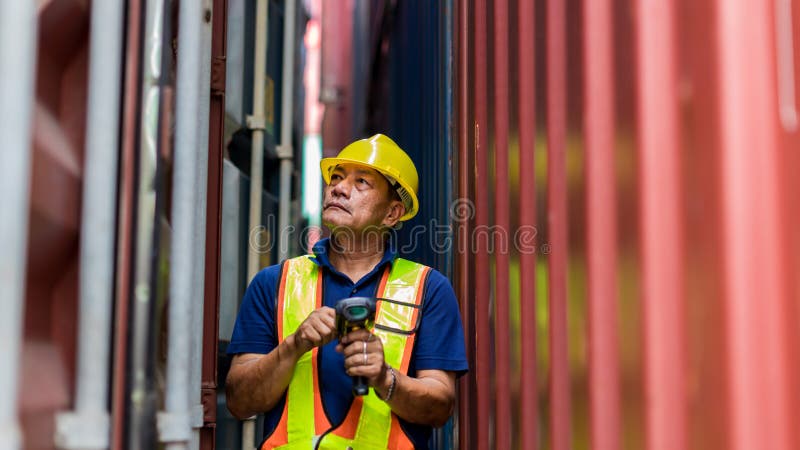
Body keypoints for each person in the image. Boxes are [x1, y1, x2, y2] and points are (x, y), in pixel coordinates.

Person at [225, 134, 468, 449]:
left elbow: (440, 407)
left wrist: (384, 378)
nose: (337, 188)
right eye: (336, 178)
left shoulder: (428, 289)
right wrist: (294, 345)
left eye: (362, 182)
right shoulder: (275, 282)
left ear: (392, 213)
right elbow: (239, 402)